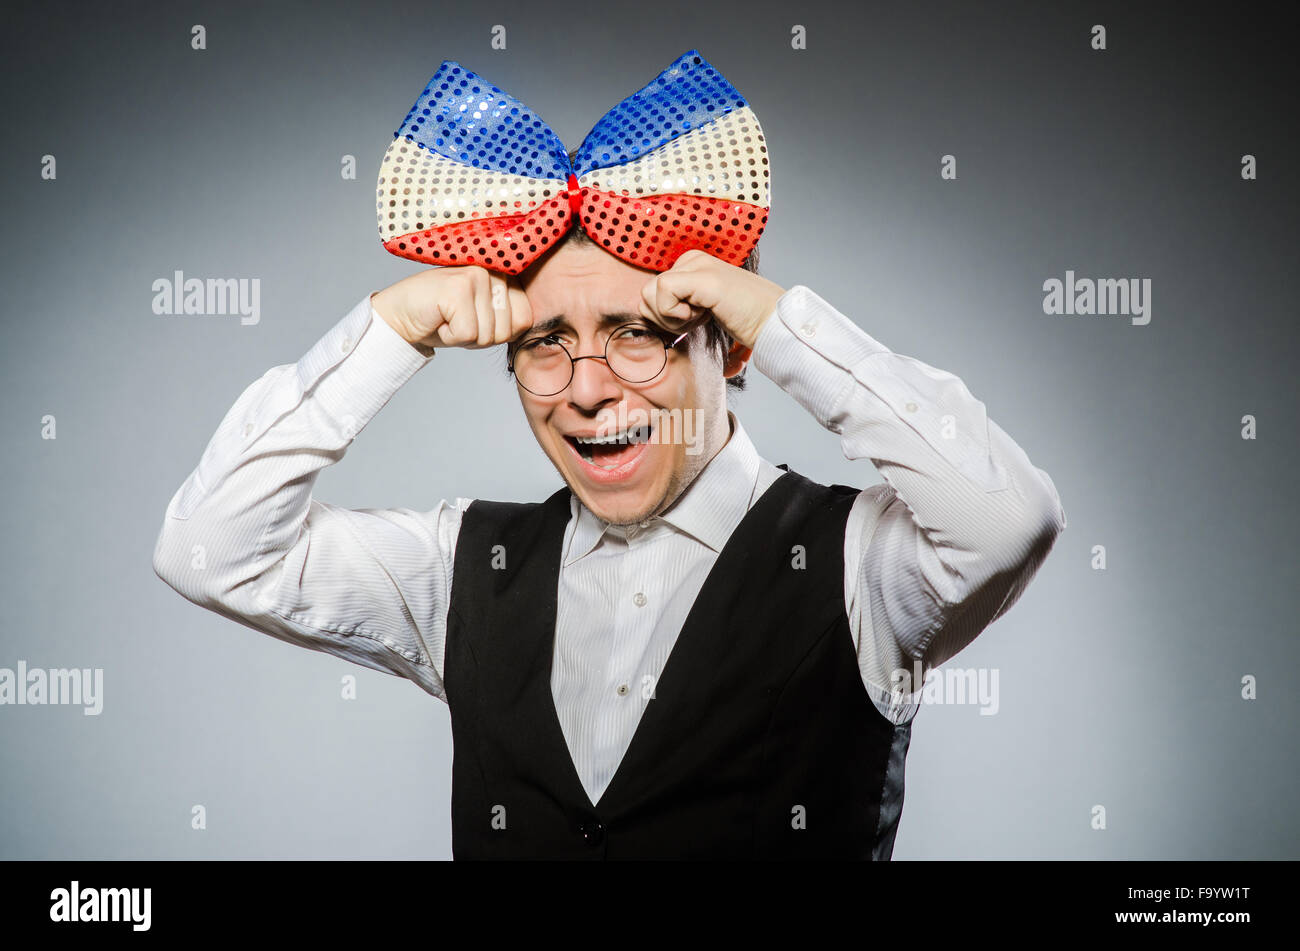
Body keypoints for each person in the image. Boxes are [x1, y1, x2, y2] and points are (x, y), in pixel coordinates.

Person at [152, 53, 1066, 860]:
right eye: (548, 342)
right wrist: (393, 328)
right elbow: (212, 548)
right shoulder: (462, 570)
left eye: (637, 334)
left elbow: (1006, 517)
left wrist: (781, 322)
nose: (586, 389)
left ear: (731, 346)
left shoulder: (859, 566)